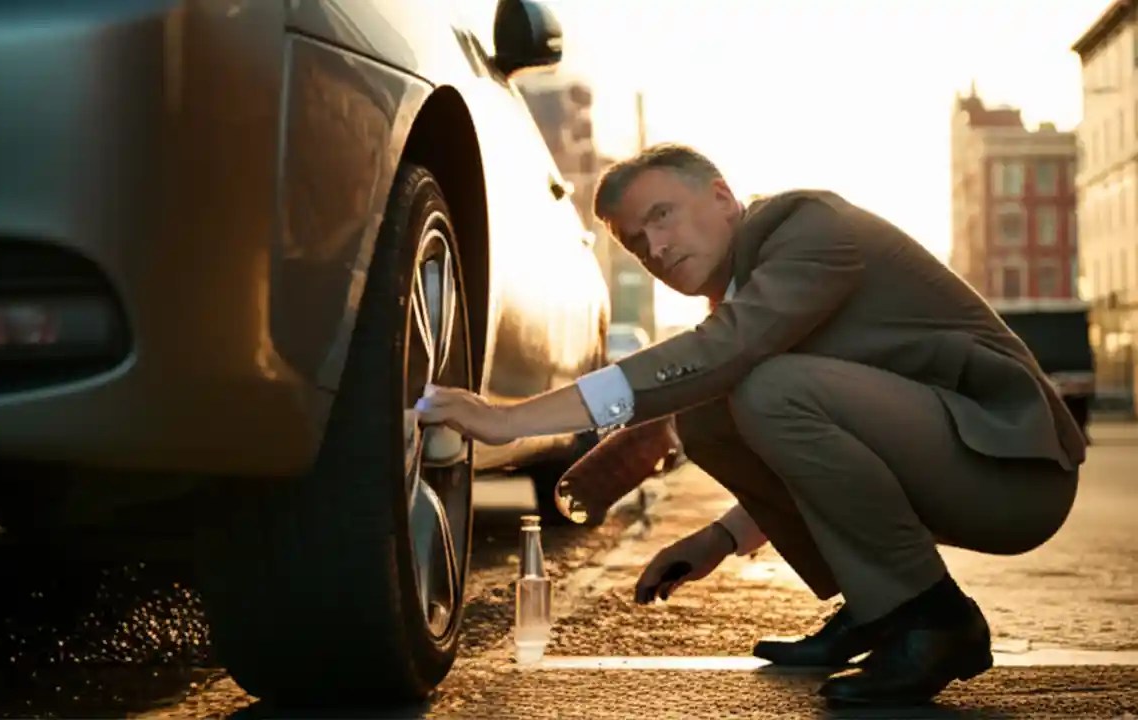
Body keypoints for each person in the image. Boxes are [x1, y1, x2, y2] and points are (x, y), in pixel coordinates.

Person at [415, 143, 1084, 706]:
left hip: (1012, 465)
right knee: (710, 411)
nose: (657, 246)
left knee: (756, 385)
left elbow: (725, 353)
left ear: (722, 196)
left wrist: (508, 421)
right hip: (953, 457)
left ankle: (931, 617)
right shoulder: (753, 291)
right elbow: (823, 438)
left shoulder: (808, 226)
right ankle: (878, 602)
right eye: (639, 243)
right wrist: (722, 536)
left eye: (663, 216)